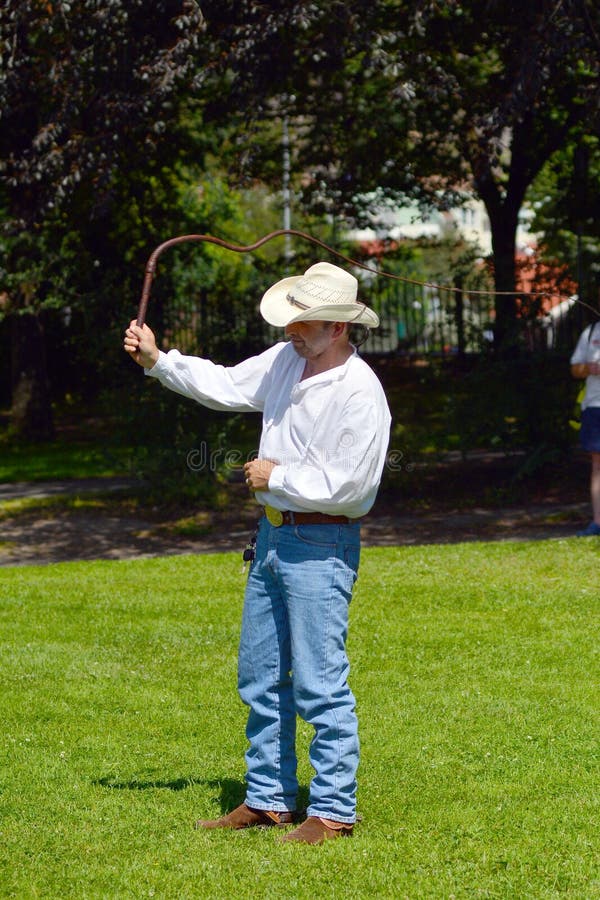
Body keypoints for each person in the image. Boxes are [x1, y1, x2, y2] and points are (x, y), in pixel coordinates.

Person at [124, 261, 391, 844]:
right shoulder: (285, 361)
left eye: (304, 321)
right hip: (273, 534)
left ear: (339, 327)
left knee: (321, 681)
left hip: (322, 540)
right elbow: (225, 384)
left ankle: (333, 811)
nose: (291, 330)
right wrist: (159, 361)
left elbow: (352, 487)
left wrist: (278, 476)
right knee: (262, 674)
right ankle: (269, 799)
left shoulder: (359, 392)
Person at [570, 321, 600, 536]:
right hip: (594, 405)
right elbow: (575, 368)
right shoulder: (590, 331)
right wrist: (589, 368)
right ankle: (598, 522)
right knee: (597, 466)